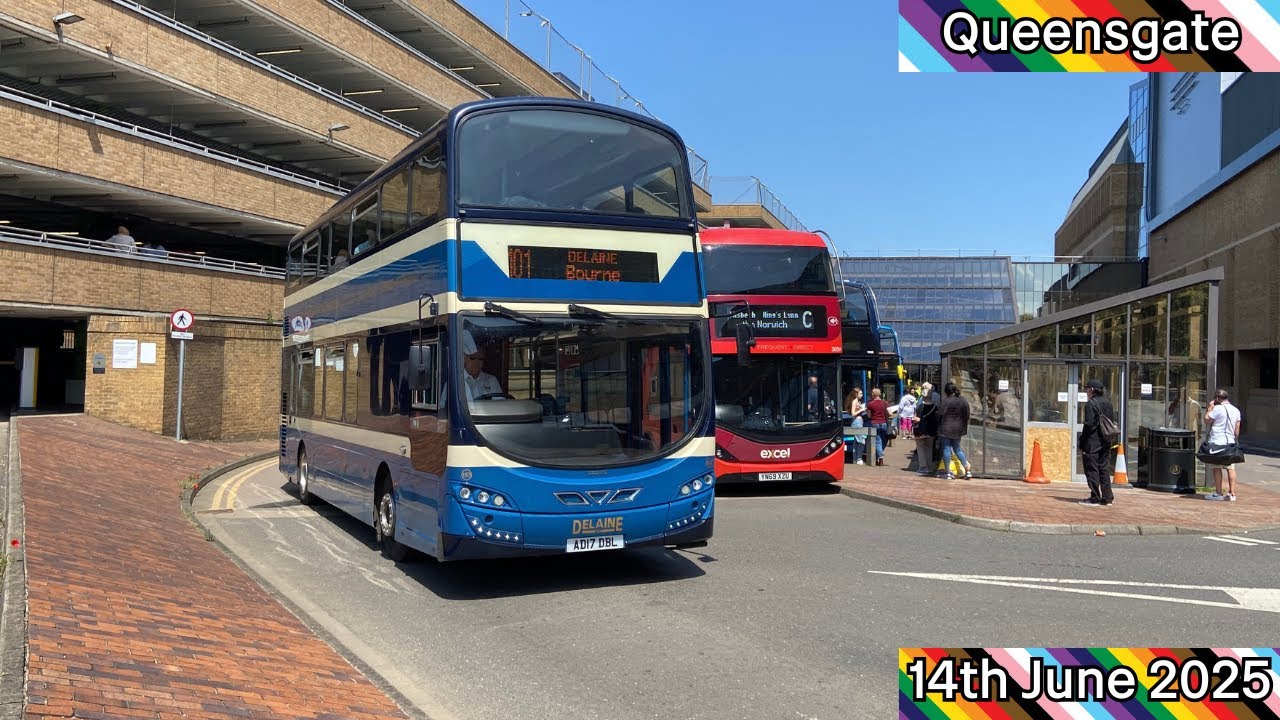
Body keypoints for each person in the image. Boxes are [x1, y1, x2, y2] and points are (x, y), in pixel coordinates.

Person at [1078, 378, 1117, 507]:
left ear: (1092, 390)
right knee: (1103, 468)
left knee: (1091, 469)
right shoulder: (1108, 403)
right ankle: (1107, 498)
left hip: (1092, 441)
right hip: (1105, 440)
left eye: (1087, 388)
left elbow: (1089, 424)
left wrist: (1082, 440)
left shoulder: (1091, 404)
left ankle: (1094, 497)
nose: (1086, 390)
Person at [1203, 389, 1242, 501]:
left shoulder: (1217, 409)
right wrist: (1234, 439)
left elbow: (1207, 420)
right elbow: (1237, 428)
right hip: (1230, 442)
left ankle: (1219, 493)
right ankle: (1232, 493)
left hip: (1217, 442)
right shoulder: (1236, 410)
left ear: (1216, 398)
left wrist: (1209, 409)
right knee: (1230, 467)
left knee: (1217, 468)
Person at [936, 382, 972, 479]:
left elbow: (939, 414)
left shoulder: (945, 401)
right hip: (958, 428)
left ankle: (948, 472)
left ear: (946, 391)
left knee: (946, 449)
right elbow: (967, 414)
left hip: (946, 428)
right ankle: (967, 470)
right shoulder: (962, 400)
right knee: (957, 449)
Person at [461, 330, 503, 401]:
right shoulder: (456, 381)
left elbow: (500, 404)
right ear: (465, 358)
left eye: (480, 359)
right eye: (473, 358)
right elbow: (443, 406)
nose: (476, 362)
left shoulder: (491, 380)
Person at [913, 383, 939, 475]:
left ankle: (923, 467)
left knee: (920, 448)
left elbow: (918, 419)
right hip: (931, 431)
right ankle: (930, 466)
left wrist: (914, 420)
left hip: (921, 430)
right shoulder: (935, 407)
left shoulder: (921, 407)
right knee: (929, 448)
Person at [866, 387, 889, 466]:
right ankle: (879, 455)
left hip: (874, 423)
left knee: (878, 442)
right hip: (884, 423)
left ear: (873, 394)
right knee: (884, 441)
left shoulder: (870, 404)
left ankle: (880, 458)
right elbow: (888, 414)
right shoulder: (885, 403)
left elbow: (869, 415)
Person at [848, 387, 868, 465]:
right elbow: (853, 413)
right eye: (860, 393)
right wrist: (861, 410)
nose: (862, 395)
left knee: (856, 441)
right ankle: (859, 458)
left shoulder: (858, 401)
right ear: (856, 394)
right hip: (857, 421)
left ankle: (856, 459)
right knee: (861, 441)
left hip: (859, 421)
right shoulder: (854, 401)